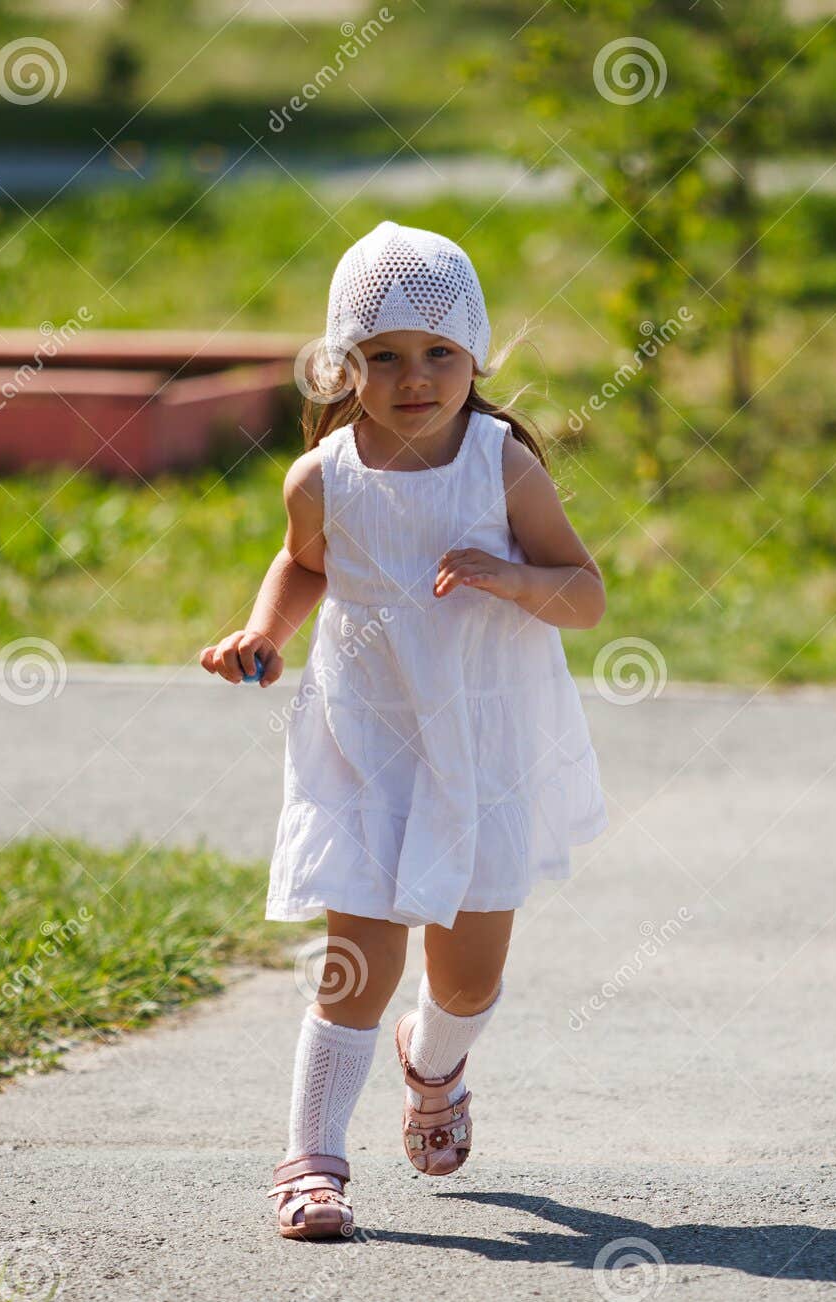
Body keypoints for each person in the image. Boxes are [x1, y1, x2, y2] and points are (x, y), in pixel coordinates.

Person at [200, 220, 608, 1241]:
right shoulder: (322, 477)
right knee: (355, 958)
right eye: (381, 356)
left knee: (466, 977)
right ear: (345, 364)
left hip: (481, 746)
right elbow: (305, 565)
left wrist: (512, 577)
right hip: (366, 738)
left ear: (475, 356)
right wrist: (263, 632)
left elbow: (585, 595)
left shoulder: (500, 463)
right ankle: (313, 1162)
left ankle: (434, 1066)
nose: (413, 377)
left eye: (439, 354)